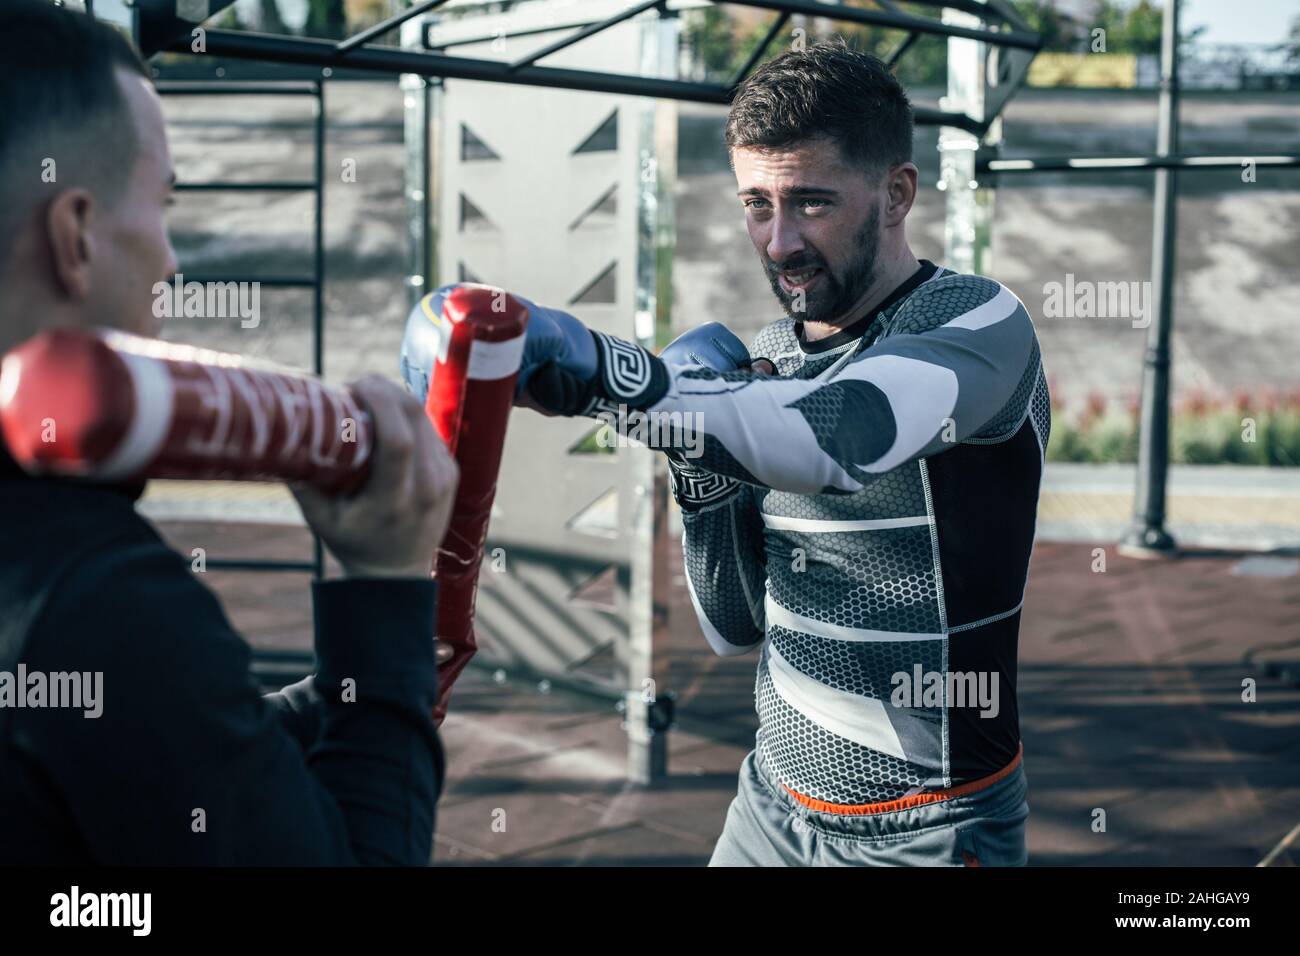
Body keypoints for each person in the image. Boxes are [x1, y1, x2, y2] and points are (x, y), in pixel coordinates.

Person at [474, 39, 1049, 866]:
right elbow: (734, 624)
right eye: (756, 204)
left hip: (929, 829)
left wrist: (612, 377)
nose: (778, 244)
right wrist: (696, 463)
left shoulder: (976, 323)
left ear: (896, 194)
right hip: (771, 805)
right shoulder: (768, 359)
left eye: (811, 203)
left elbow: (840, 436)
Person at [0, 0, 458, 865]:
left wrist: (289, 707)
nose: (171, 260)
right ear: (75, 237)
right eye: (162, 206)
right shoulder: (97, 599)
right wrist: (386, 586)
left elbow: (149, 757)